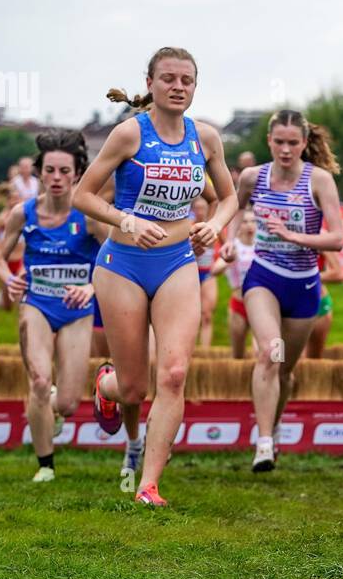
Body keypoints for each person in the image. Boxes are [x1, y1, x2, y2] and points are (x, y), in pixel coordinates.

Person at [73, 47, 237, 507]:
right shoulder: (128, 134)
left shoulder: (205, 138)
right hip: (122, 265)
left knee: (175, 373)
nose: (178, 86)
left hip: (178, 263)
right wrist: (127, 221)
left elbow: (229, 198)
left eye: (186, 79)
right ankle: (106, 386)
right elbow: (83, 196)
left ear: (195, 86)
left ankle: (149, 485)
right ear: (150, 83)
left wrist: (215, 225)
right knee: (133, 387)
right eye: (168, 78)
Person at [229, 110, 343, 472]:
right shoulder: (253, 176)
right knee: (269, 353)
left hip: (305, 285)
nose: (285, 149)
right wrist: (231, 240)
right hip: (263, 277)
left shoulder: (319, 180)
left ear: (304, 144)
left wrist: (294, 236)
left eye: (293, 143)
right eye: (279, 142)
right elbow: (233, 207)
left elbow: (338, 238)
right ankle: (263, 443)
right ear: (269, 141)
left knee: (285, 370)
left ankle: (274, 429)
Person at [0, 130, 110, 483]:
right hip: (37, 304)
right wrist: (8, 278)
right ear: (39, 173)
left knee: (69, 404)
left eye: (64, 171)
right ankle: (46, 465)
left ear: (77, 174)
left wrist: (91, 287)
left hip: (76, 310)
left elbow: (115, 259)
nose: (57, 178)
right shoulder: (22, 213)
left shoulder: (89, 216)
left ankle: (56, 405)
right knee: (40, 381)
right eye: (50, 171)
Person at [219, 209, 257, 359]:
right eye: (245, 221)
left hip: (262, 305)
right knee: (237, 356)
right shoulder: (233, 246)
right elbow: (215, 270)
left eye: (253, 221)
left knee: (265, 353)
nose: (249, 225)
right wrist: (228, 260)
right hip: (238, 305)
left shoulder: (263, 245)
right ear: (238, 225)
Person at [190, 195, 226, 348]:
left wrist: (222, 261)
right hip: (190, 273)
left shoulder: (213, 228)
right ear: (193, 210)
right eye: (197, 209)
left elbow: (226, 246)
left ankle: (205, 351)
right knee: (191, 316)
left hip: (208, 273)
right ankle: (190, 349)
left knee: (206, 315)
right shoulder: (187, 226)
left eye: (203, 208)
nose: (200, 212)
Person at [303, 250, 343, 359]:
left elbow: (338, 273)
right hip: (285, 303)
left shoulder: (319, 236)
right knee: (281, 359)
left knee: (313, 360)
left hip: (318, 304)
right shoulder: (278, 236)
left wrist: (304, 278)